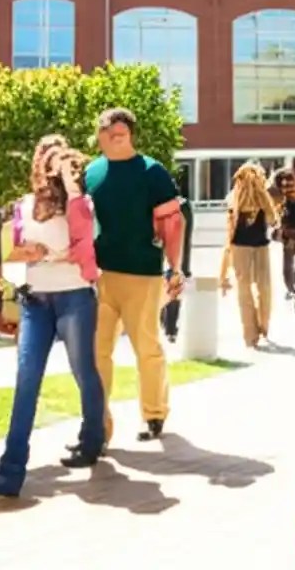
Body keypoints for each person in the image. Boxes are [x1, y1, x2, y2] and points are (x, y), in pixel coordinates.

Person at [0, 137, 108, 496]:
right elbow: (16, 252)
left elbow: (86, 242)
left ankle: (93, 439)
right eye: (45, 157)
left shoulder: (80, 203)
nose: (49, 164)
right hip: (35, 300)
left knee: (84, 371)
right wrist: (27, 252)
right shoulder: (24, 205)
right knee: (26, 379)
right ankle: (11, 468)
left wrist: (69, 181)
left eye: (58, 157)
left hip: (75, 297)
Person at [84, 108, 186, 445]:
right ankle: (99, 423)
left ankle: (154, 414)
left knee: (147, 347)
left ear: (131, 134)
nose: (115, 136)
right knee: (97, 352)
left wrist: (175, 266)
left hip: (142, 273)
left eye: (122, 131)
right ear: (99, 135)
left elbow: (173, 222)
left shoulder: (151, 171)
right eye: (109, 131)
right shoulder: (91, 172)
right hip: (99, 275)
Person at [219, 163, 278, 348]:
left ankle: (254, 331)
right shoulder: (237, 197)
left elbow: (273, 219)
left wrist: (261, 197)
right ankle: (256, 330)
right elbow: (273, 220)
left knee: (253, 290)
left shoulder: (254, 197)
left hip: (251, 246)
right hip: (247, 246)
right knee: (257, 289)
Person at [160, 195, 196, 344]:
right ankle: (170, 328)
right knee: (173, 286)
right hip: (178, 259)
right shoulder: (183, 205)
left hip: (167, 259)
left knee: (168, 286)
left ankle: (169, 326)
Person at [272, 167, 295, 312]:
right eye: (284, 185)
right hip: (288, 232)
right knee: (290, 263)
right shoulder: (282, 200)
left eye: (289, 184)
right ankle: (293, 289)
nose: (286, 187)